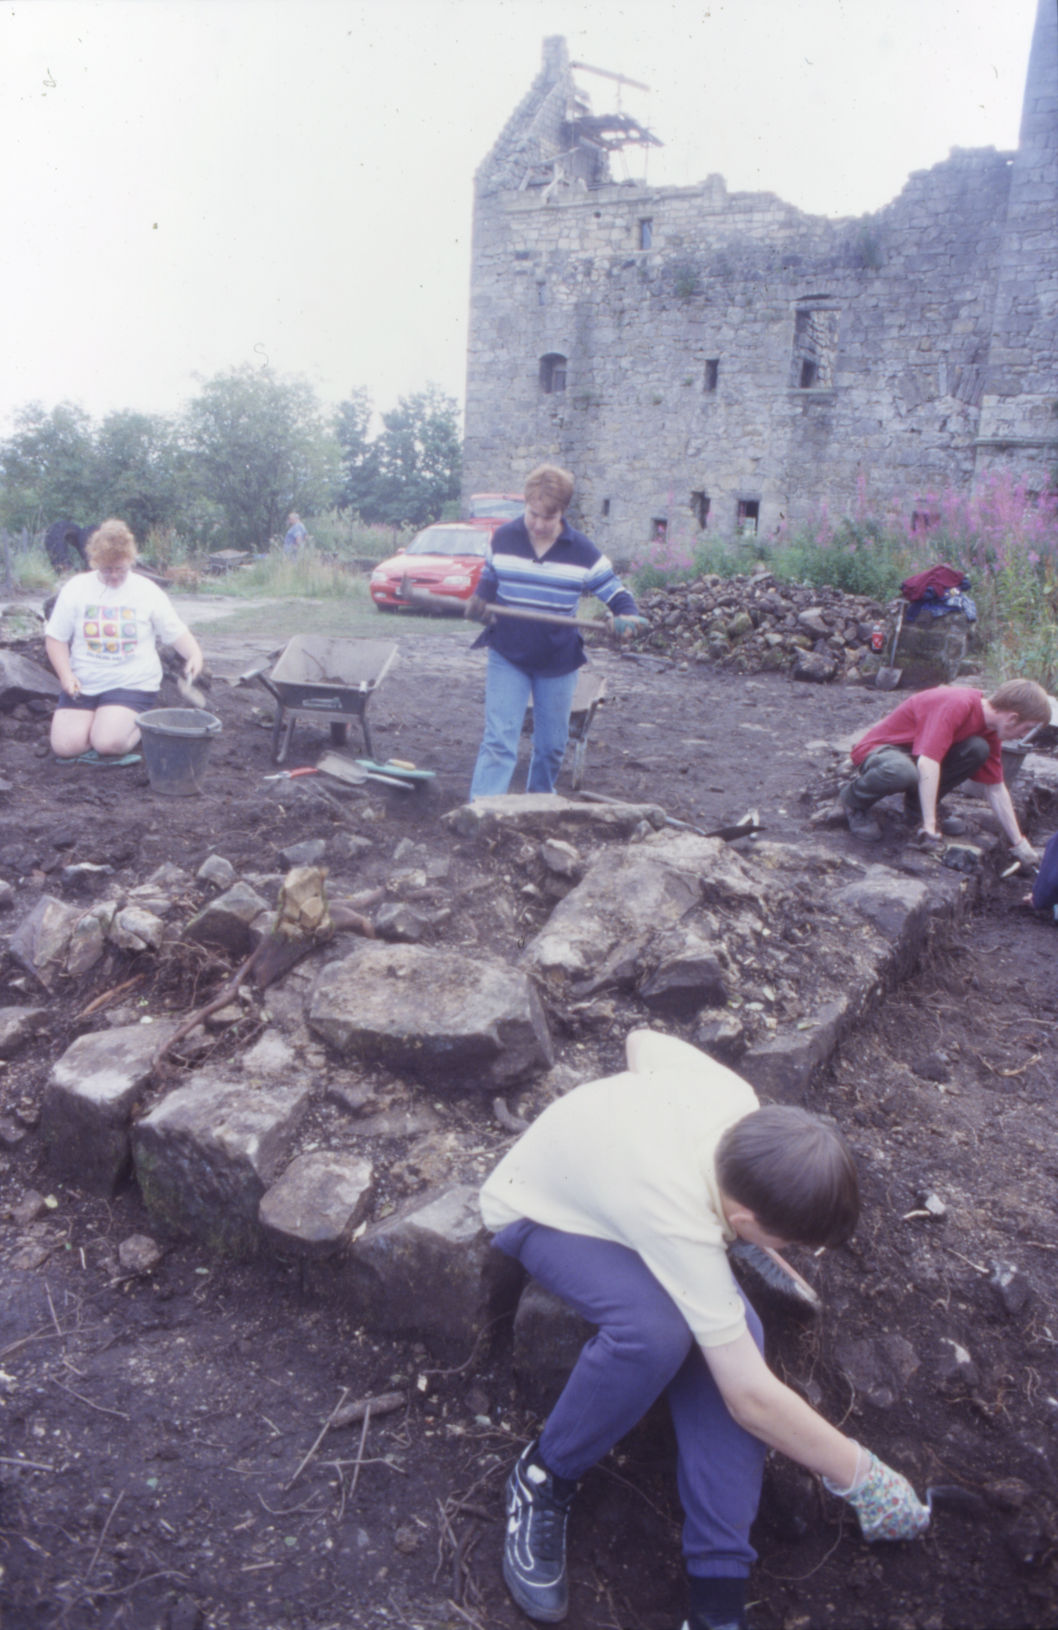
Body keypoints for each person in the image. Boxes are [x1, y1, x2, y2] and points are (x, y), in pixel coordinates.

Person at [481, 1030, 930, 1630]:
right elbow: (749, 1400)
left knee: (737, 1330)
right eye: (790, 1242)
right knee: (658, 1333)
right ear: (743, 1218)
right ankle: (543, 1475)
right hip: (543, 1212)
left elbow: (642, 1041)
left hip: (636, 1205)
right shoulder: (679, 1215)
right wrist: (861, 1475)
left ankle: (718, 1592)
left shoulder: (734, 1100)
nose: (801, 1255)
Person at [468, 464, 647, 798]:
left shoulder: (583, 552)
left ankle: (537, 806)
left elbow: (617, 594)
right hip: (508, 653)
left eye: (547, 518)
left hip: (558, 658)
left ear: (563, 513)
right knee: (498, 741)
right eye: (532, 513)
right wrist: (479, 603)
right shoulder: (504, 538)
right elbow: (489, 581)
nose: (537, 524)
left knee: (551, 747)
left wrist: (627, 617)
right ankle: (481, 813)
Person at [45, 518, 204, 766]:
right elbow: (56, 638)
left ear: (130, 561)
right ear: (94, 562)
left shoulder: (147, 590)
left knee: (108, 744)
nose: (115, 576)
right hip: (85, 680)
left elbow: (175, 632)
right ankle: (102, 718)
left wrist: (194, 654)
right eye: (107, 569)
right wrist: (66, 676)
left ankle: (145, 722)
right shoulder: (76, 588)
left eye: (121, 569)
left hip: (131, 682)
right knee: (66, 747)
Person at [839, 679, 1049, 859]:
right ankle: (853, 801)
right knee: (902, 772)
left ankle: (916, 808)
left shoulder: (989, 732)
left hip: (915, 756)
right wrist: (930, 828)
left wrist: (1020, 844)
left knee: (977, 749)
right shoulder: (958, 703)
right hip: (884, 749)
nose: (1024, 735)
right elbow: (928, 763)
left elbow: (995, 788)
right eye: (1027, 728)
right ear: (1013, 718)